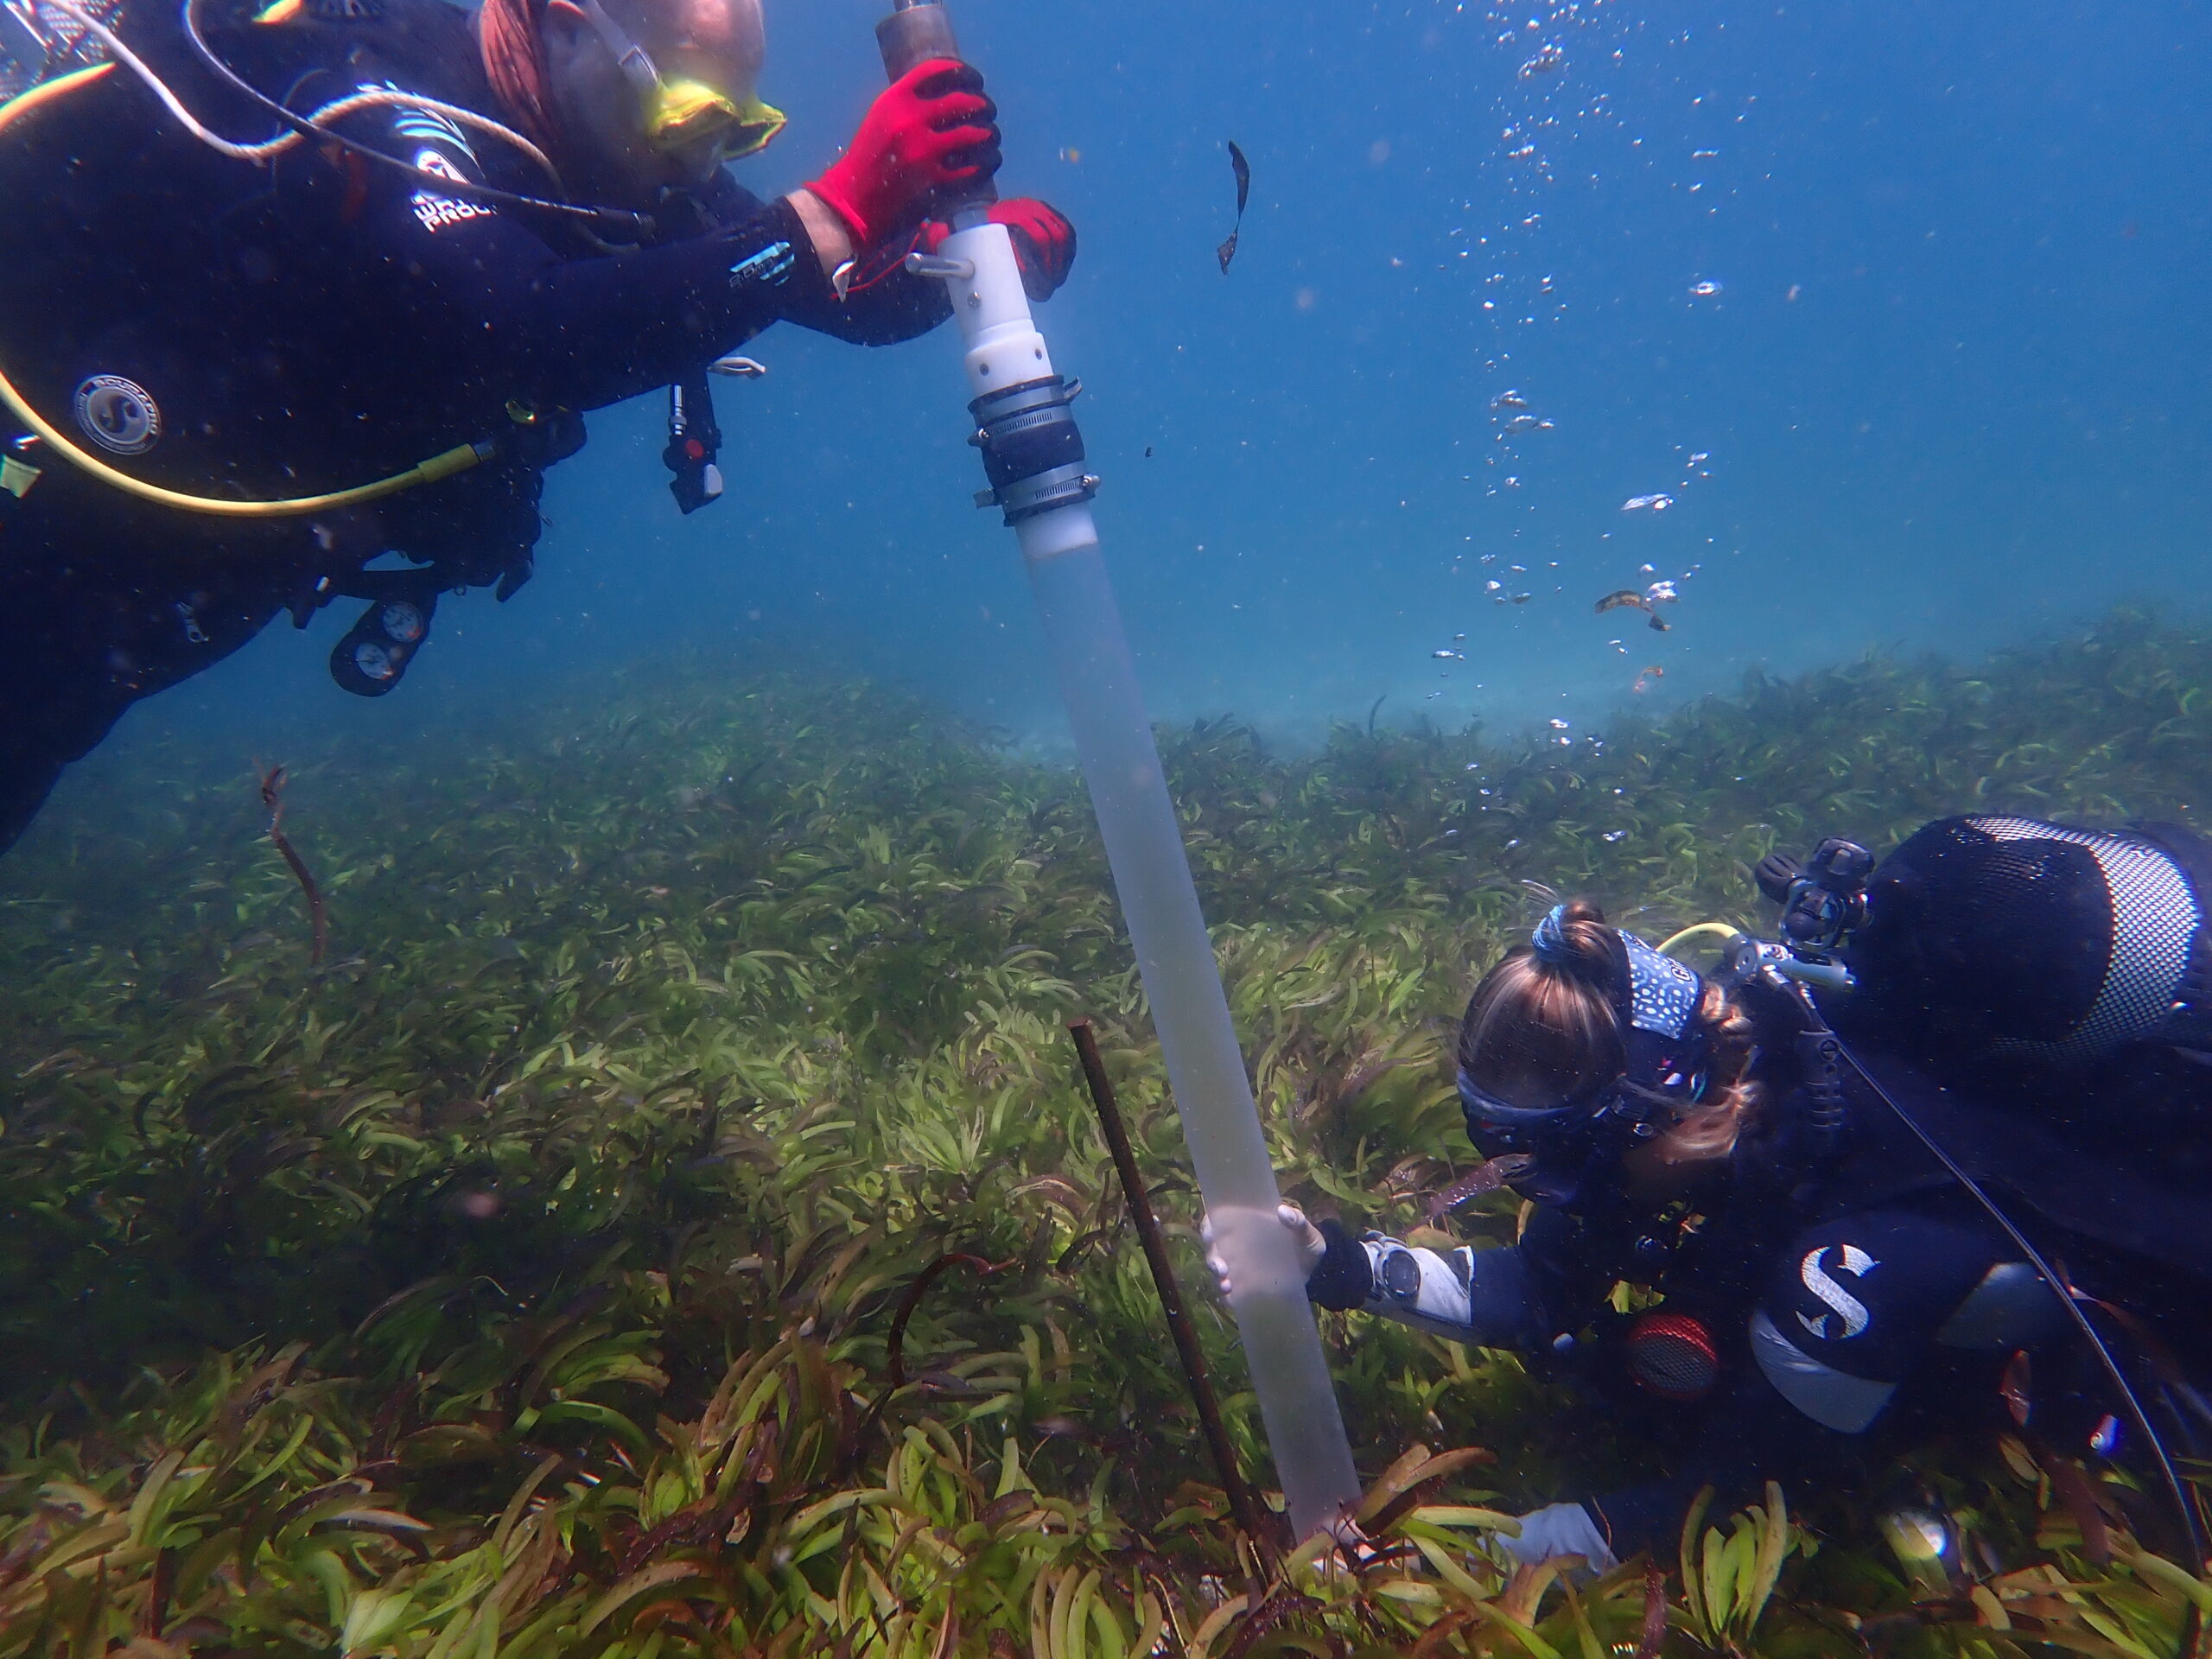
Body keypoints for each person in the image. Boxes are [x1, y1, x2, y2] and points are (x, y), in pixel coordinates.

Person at [0, 0, 1074, 849]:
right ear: (567, 28)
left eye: (735, 128)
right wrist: (834, 204)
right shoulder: (385, 107)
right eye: (690, 117)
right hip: (53, 507)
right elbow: (525, 330)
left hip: (183, 569)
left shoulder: (627, 157)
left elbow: (829, 292)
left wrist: (968, 264)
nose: (704, 165)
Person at [1219, 814, 2212, 1568]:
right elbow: (1530, 1290)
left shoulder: (1848, 1267)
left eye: (1557, 1165)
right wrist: (1330, 1264)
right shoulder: (1680, 1103)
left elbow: (1735, 1500)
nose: (1553, 1193)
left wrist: (1471, 1556)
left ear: (1671, 1107)